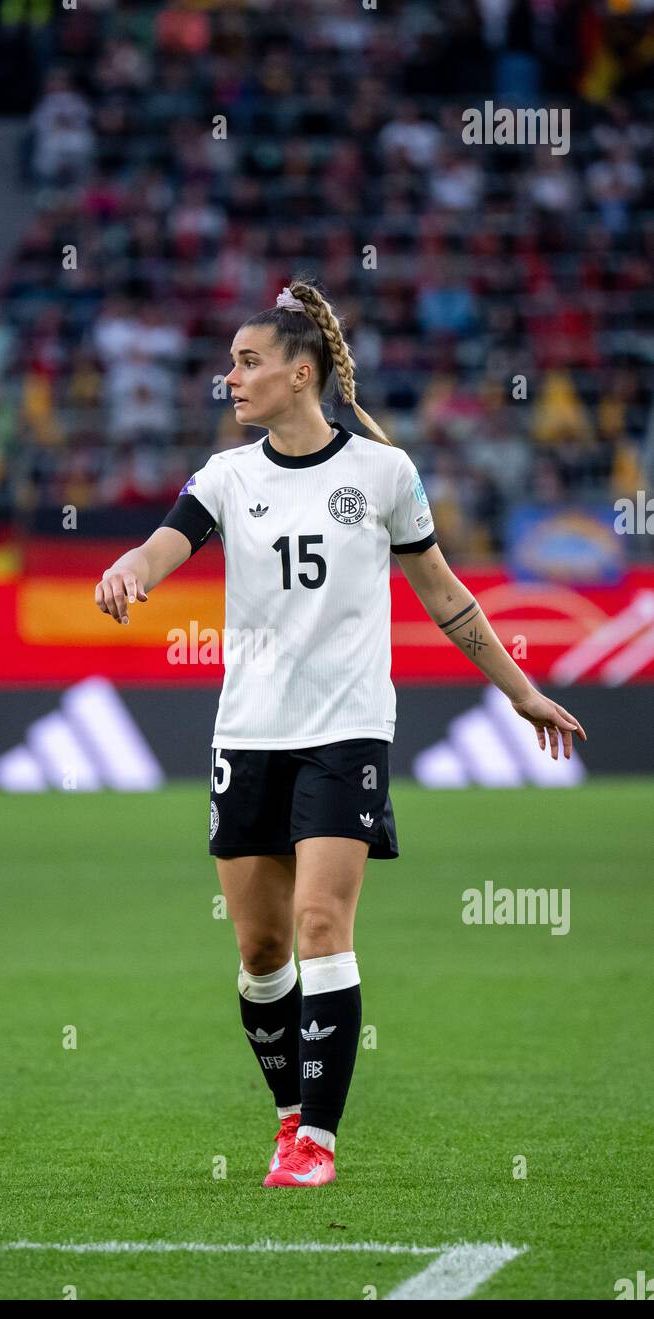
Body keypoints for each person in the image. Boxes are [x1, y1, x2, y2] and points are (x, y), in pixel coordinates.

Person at [94, 278, 587, 1189]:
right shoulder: (228, 477)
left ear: (300, 372)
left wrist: (521, 692)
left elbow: (445, 596)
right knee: (260, 951)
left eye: (247, 363)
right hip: (248, 735)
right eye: (232, 363)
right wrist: (130, 565)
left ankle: (316, 1144)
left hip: (349, 732)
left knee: (324, 922)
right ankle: (290, 1118)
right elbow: (166, 545)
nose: (230, 379)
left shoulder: (383, 474)